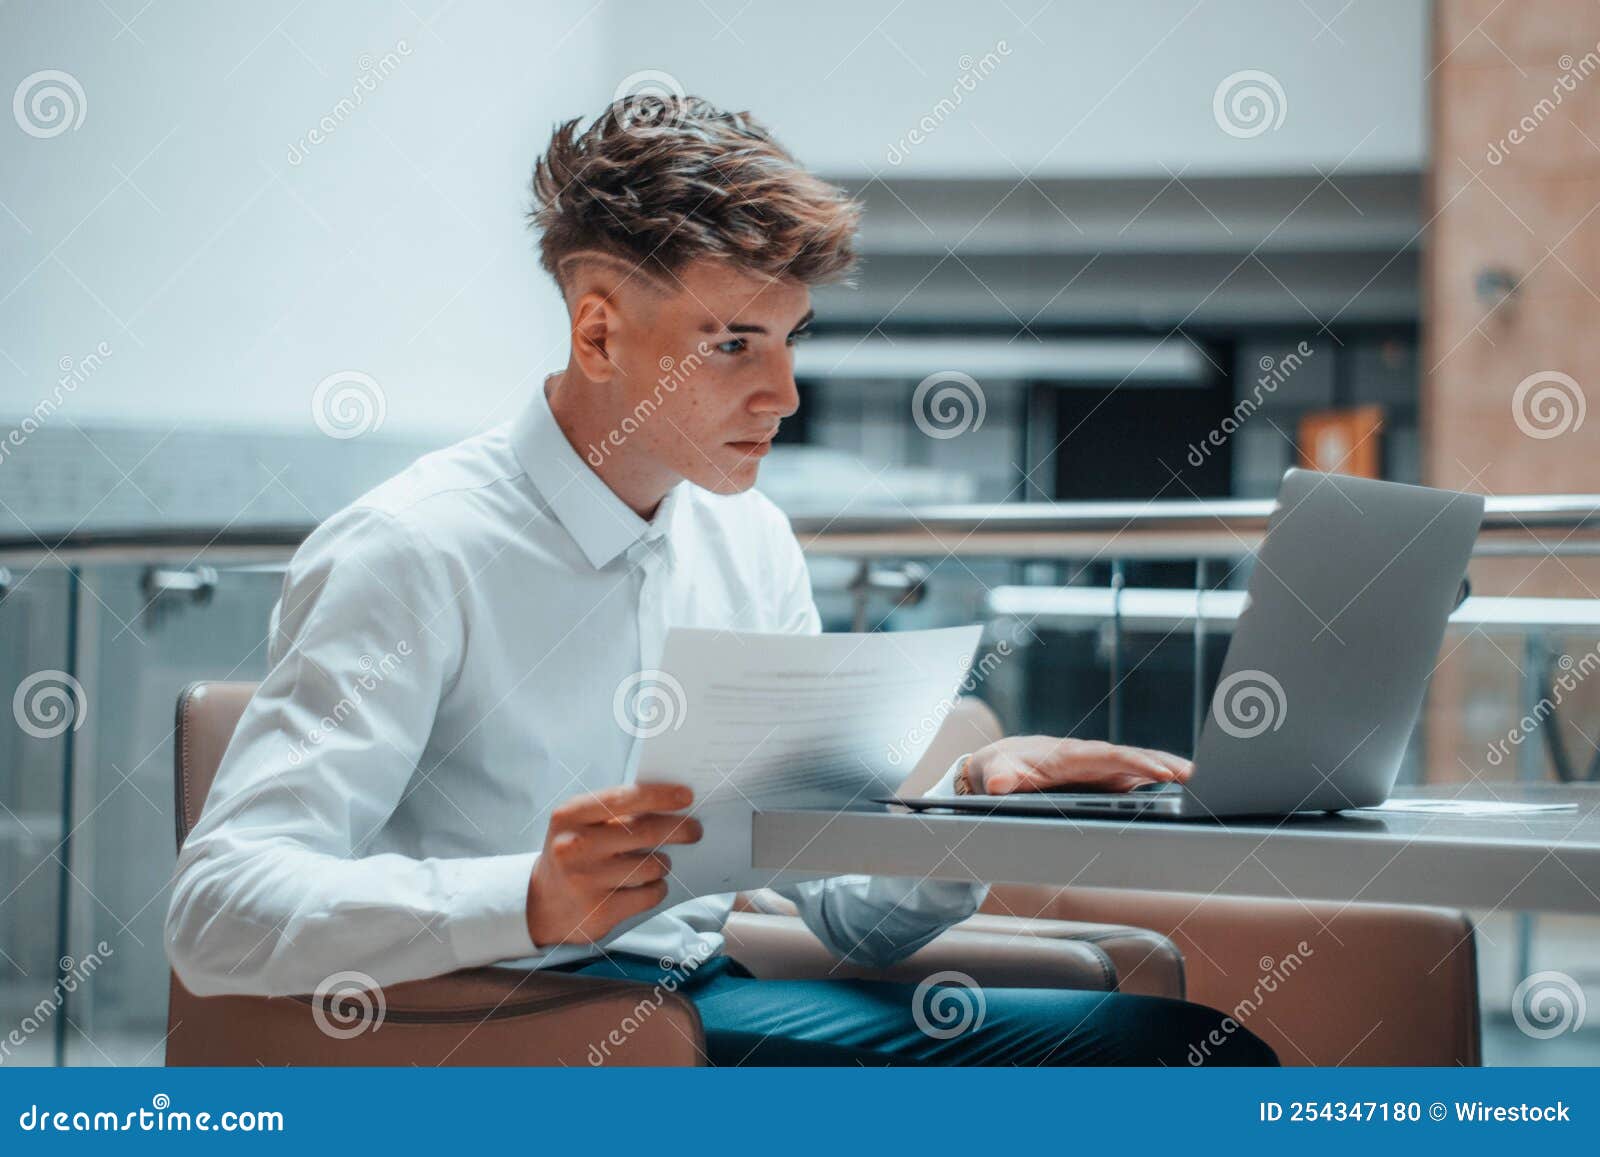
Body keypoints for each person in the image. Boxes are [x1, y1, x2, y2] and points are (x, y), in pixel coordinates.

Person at [164, 94, 1276, 1067]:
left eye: (790, 338)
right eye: (735, 343)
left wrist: (965, 810)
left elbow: (847, 914)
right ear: (599, 333)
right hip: (515, 1023)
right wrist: (526, 895)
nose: (785, 394)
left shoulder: (748, 543)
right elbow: (217, 913)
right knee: (1173, 1065)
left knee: (1189, 1051)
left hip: (701, 1001)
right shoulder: (413, 549)